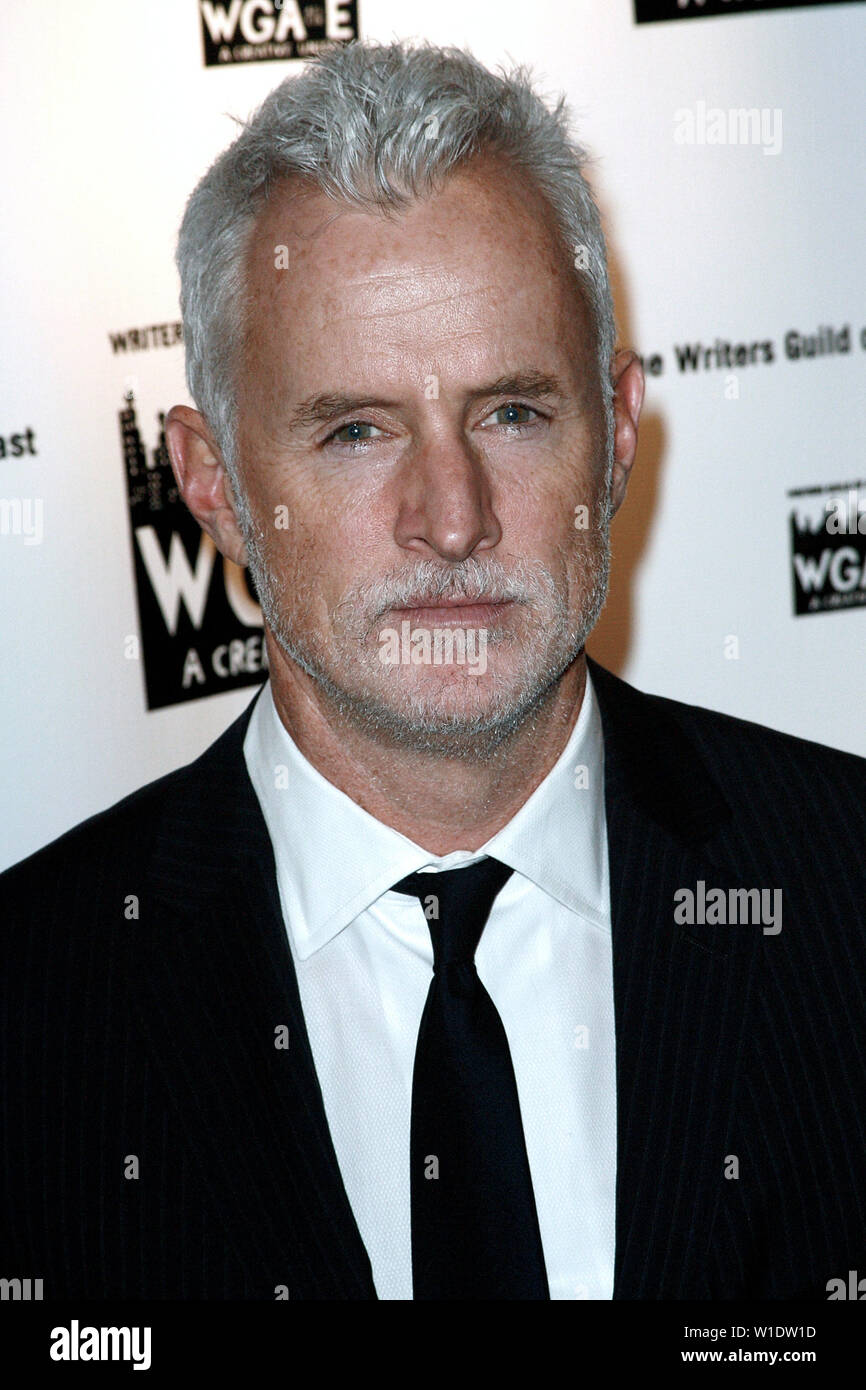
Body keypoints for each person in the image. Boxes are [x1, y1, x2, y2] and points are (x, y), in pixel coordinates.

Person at [1, 39, 864, 1302]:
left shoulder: (842, 888)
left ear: (616, 432)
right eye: (356, 431)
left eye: (512, 412)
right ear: (212, 483)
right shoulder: (31, 1002)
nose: (452, 520)